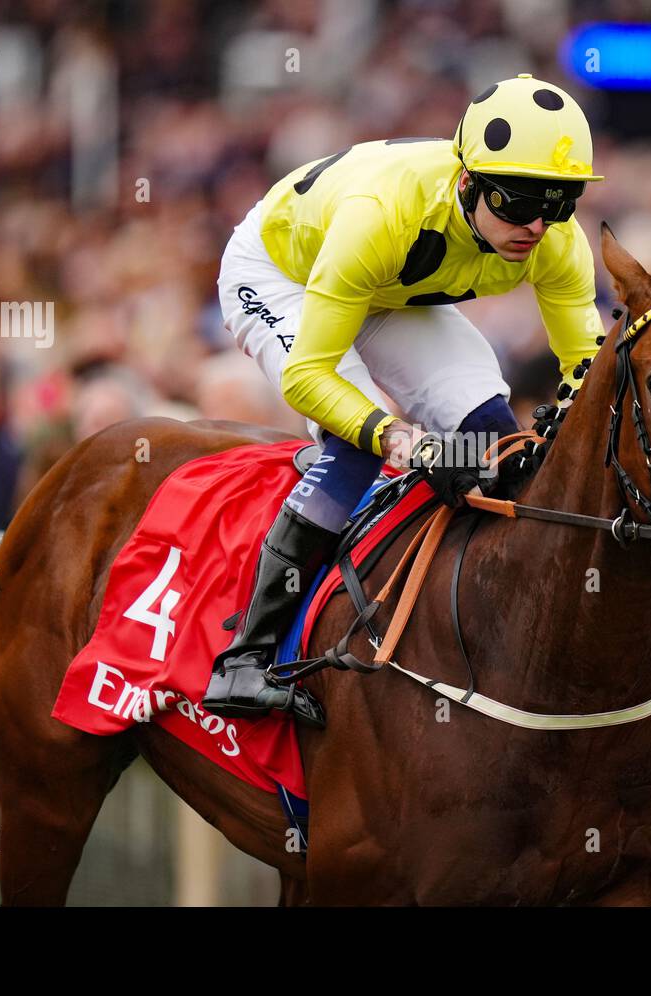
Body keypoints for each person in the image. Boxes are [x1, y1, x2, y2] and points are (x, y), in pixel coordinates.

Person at [204, 75, 605, 722]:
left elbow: (586, 367)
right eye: (518, 201)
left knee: (494, 436)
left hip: (387, 287)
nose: (536, 224)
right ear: (469, 183)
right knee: (356, 443)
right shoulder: (381, 215)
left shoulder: (556, 240)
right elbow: (310, 378)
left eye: (559, 203)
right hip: (285, 273)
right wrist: (403, 441)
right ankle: (243, 661)